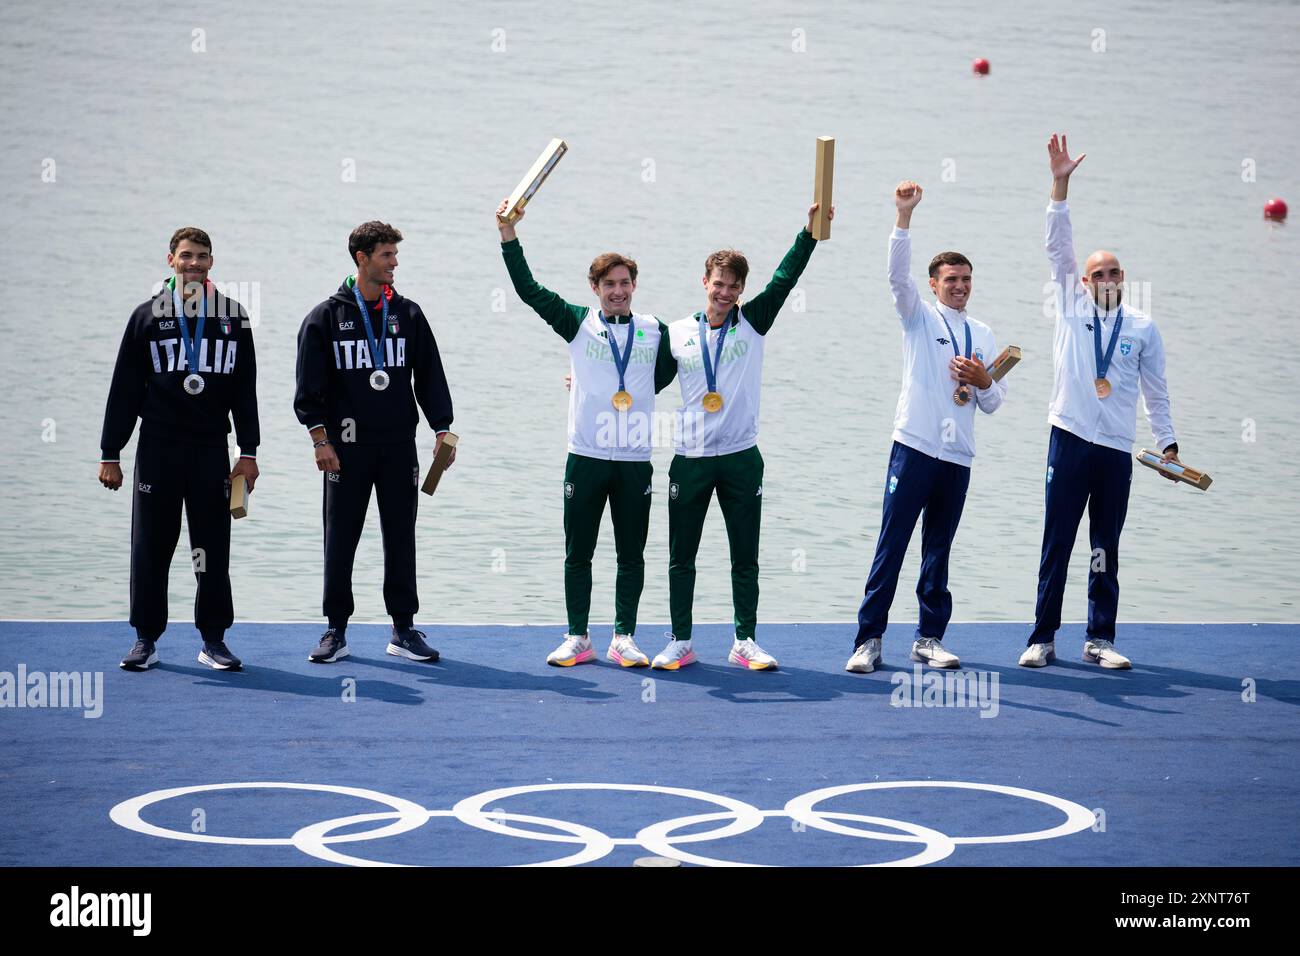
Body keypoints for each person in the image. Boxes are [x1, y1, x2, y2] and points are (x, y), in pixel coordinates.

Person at [1020, 134, 1181, 669]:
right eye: (1099, 273)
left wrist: (1169, 444)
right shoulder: (1068, 303)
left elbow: (1156, 392)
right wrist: (1060, 184)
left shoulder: (1142, 327)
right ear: (1084, 281)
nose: (1108, 278)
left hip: (1114, 448)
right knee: (1057, 543)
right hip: (1068, 438)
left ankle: (1099, 639)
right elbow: (1056, 244)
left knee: (1104, 548)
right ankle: (1041, 638)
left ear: (1123, 279)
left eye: (1116, 272)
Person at [496, 198, 677, 668]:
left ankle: (624, 637)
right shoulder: (578, 323)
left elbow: (666, 375)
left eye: (624, 283)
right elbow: (529, 290)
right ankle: (578, 636)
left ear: (634, 285)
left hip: (636, 458)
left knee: (631, 554)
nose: (618, 291)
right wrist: (508, 236)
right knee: (579, 552)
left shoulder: (655, 330)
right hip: (586, 454)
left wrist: (622, 390)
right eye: (609, 284)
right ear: (594, 287)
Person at [652, 203, 832, 672]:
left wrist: (808, 232)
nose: (726, 292)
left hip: (740, 458)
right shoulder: (676, 334)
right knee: (680, 557)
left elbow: (785, 279)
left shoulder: (753, 322)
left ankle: (745, 639)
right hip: (689, 459)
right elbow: (644, 381)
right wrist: (589, 380)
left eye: (734, 286)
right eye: (719, 283)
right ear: (704, 282)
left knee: (744, 557)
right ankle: (680, 640)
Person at [847, 182, 1007, 674]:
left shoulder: (981, 333)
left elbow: (994, 403)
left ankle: (929, 637)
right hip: (913, 448)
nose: (959, 286)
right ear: (934, 284)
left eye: (966, 279)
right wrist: (903, 216)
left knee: (938, 550)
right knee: (891, 545)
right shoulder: (918, 316)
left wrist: (983, 382)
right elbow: (896, 277)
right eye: (951, 279)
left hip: (957, 456)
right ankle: (869, 640)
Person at [99, 227, 260, 671]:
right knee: (151, 548)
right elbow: (125, 391)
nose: (194, 264)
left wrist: (248, 451)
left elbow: (245, 390)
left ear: (212, 261)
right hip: (158, 448)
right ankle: (145, 640)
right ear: (170, 259)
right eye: (186, 256)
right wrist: (110, 452)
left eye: (202, 256)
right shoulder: (147, 316)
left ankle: (214, 640)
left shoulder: (232, 316)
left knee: (211, 549)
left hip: (211, 449)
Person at [294, 221, 455, 664]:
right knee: (340, 538)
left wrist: (442, 428)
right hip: (345, 449)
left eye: (395, 254)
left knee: (400, 536)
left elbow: (431, 377)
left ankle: (403, 628)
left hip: (400, 446)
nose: (394, 263)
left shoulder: (408, 314)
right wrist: (319, 440)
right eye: (386, 255)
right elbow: (309, 391)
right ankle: (335, 630)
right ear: (362, 258)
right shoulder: (325, 317)